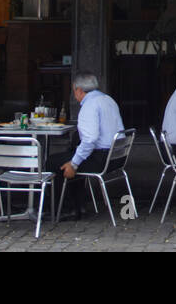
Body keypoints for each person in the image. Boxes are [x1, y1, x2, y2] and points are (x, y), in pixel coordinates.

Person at [50, 71, 123, 220]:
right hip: (117, 157)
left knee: (53, 162)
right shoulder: (108, 99)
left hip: (102, 158)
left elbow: (90, 139)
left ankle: (66, 208)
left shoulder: (89, 105)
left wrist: (74, 164)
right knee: (74, 153)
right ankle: (79, 205)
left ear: (78, 90)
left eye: (73, 90)